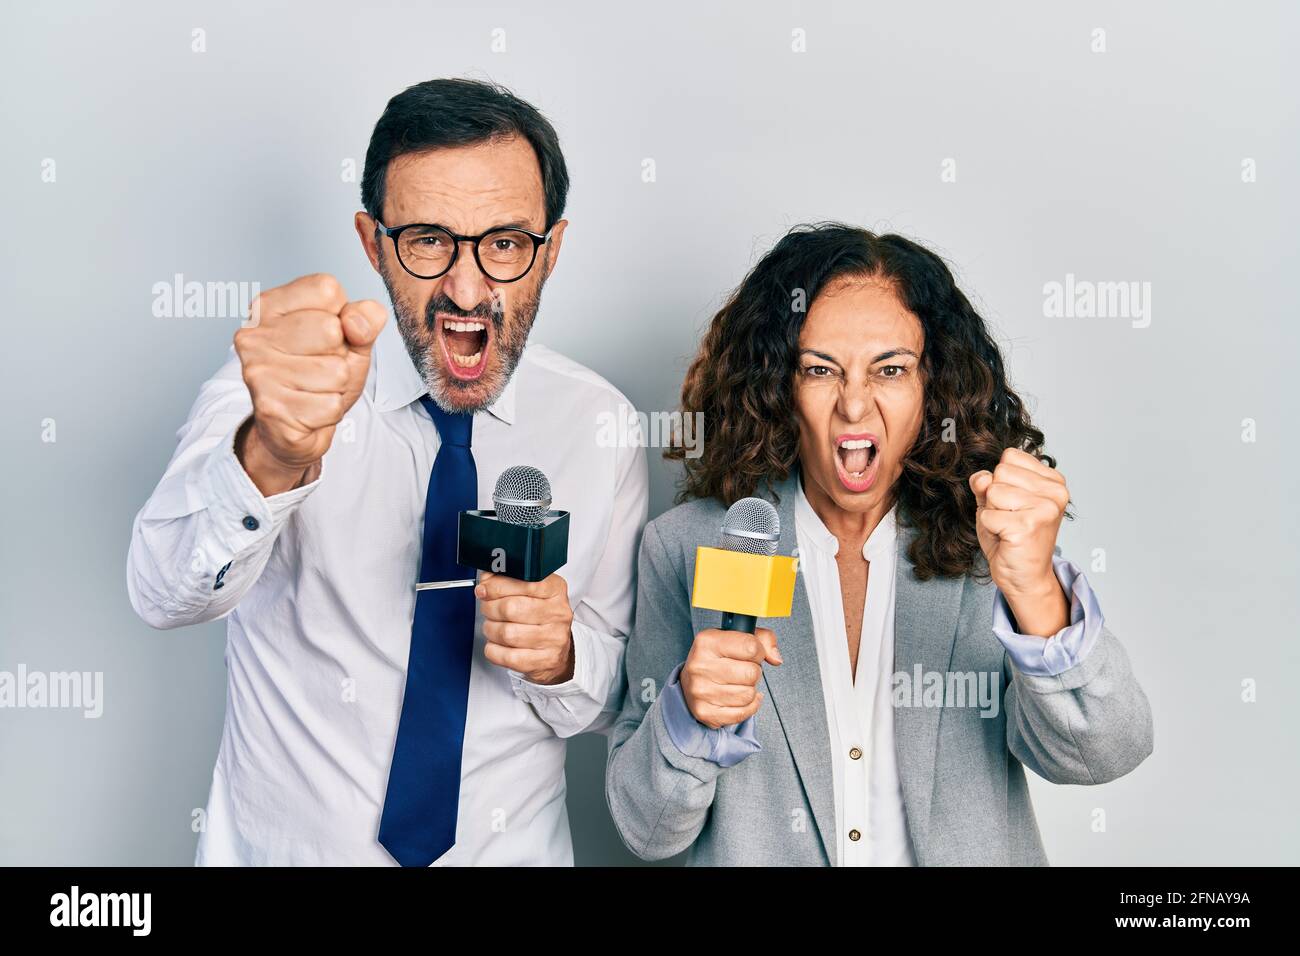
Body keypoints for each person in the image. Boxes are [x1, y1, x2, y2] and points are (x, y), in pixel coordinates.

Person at [127, 78, 648, 865]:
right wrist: (273, 456)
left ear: (552, 250)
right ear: (374, 244)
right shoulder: (276, 389)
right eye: (429, 240)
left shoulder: (600, 425)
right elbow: (161, 593)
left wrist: (564, 656)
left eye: (505, 243)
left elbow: (616, 698)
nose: (467, 289)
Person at [605, 222, 1153, 865]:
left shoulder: (991, 548)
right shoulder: (687, 548)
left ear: (932, 388)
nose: (855, 407)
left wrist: (1034, 589)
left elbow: (1103, 755)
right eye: (820, 370)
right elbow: (647, 831)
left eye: (890, 370)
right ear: (779, 388)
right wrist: (691, 717)